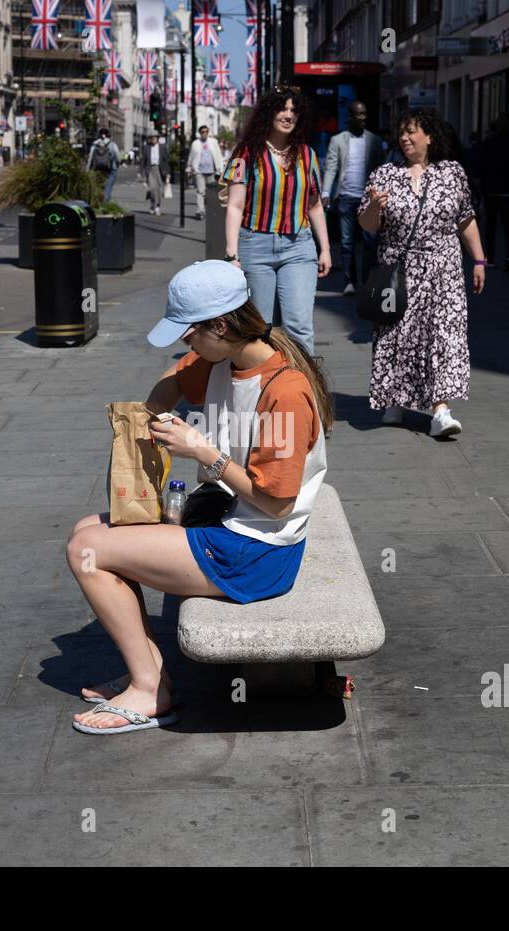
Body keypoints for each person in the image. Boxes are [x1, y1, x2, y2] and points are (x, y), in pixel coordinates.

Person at [66, 260, 332, 733]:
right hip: (228, 522)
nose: (185, 344)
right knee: (86, 530)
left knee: (87, 550)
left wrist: (201, 451)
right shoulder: (221, 360)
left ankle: (150, 690)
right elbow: (170, 383)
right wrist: (151, 419)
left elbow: (277, 504)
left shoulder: (284, 392)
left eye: (188, 333)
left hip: (257, 551)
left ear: (221, 325)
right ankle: (149, 672)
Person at [358, 108, 486, 439]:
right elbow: (368, 225)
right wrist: (375, 206)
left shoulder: (452, 173)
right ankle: (395, 399)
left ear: (429, 136)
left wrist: (480, 260)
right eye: (401, 132)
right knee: (396, 336)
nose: (405, 137)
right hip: (398, 270)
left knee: (441, 335)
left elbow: (465, 219)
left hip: (443, 270)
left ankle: (440, 410)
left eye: (412, 131)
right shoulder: (384, 175)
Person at [220, 87, 333, 356]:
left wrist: (325, 249)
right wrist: (232, 253)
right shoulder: (245, 154)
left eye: (294, 110)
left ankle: (304, 388)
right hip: (254, 244)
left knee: (299, 325)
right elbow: (235, 206)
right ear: (269, 112)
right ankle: (263, 387)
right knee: (261, 327)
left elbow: (315, 206)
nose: (288, 115)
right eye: (283, 108)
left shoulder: (308, 155)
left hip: (298, 246)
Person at [321, 100, 387, 294]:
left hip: (369, 200)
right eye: (359, 114)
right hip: (346, 199)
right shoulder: (338, 140)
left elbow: (382, 170)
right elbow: (331, 167)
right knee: (347, 243)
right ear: (350, 117)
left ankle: (366, 281)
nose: (363, 118)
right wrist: (326, 192)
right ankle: (349, 282)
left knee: (370, 242)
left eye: (365, 114)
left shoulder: (374, 141)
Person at [474, 113, 509, 272]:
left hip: (491, 190)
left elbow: (480, 167)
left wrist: (480, 187)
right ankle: (508, 257)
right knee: (508, 226)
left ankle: (490, 258)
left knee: (490, 225)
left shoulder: (487, 144)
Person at [186, 125, 224, 220]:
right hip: (199, 172)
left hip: (211, 172)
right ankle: (200, 211)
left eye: (206, 131)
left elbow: (218, 155)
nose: (205, 133)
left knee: (212, 193)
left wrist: (220, 168)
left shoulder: (213, 142)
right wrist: (189, 167)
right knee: (200, 192)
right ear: (200, 133)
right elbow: (191, 156)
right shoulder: (195, 144)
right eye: (203, 132)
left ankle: (212, 210)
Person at [87, 128, 121, 203]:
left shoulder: (94, 145)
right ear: (109, 135)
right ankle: (105, 201)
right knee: (108, 185)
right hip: (111, 169)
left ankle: (98, 201)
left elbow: (90, 158)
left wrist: (88, 169)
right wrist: (118, 164)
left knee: (99, 185)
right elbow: (118, 157)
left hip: (97, 168)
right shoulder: (112, 144)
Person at [141, 132, 169, 215]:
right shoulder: (147, 147)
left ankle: (157, 206)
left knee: (159, 189)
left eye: (155, 137)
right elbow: (143, 161)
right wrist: (140, 171)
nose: (153, 139)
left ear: (157, 138)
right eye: (151, 137)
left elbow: (166, 161)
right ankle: (153, 204)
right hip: (150, 169)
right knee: (152, 189)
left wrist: (168, 173)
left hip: (160, 170)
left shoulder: (162, 147)